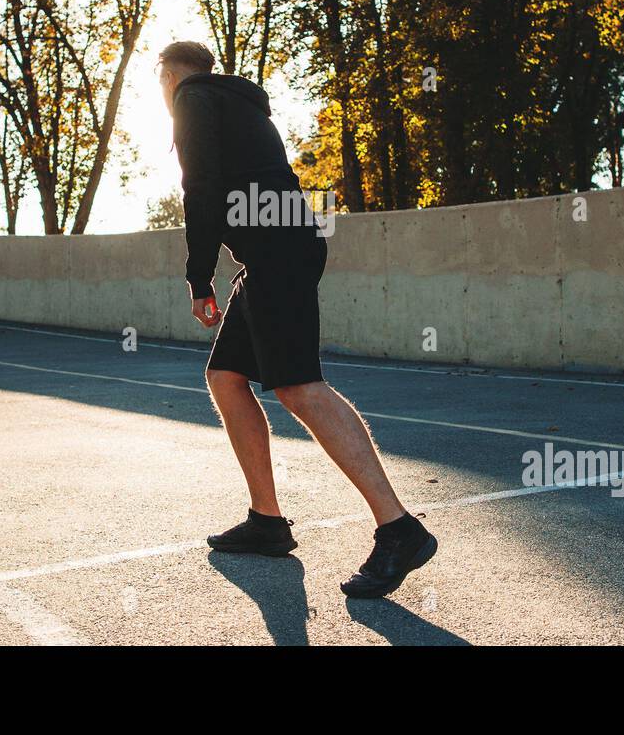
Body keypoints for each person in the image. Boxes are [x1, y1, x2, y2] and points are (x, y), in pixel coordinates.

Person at [157, 40, 437, 599]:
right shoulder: (236, 101)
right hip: (274, 253)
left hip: (278, 253)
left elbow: (202, 189)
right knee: (227, 378)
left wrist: (197, 276)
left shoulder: (192, 97)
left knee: (300, 388)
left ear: (167, 74)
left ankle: (398, 528)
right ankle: (267, 520)